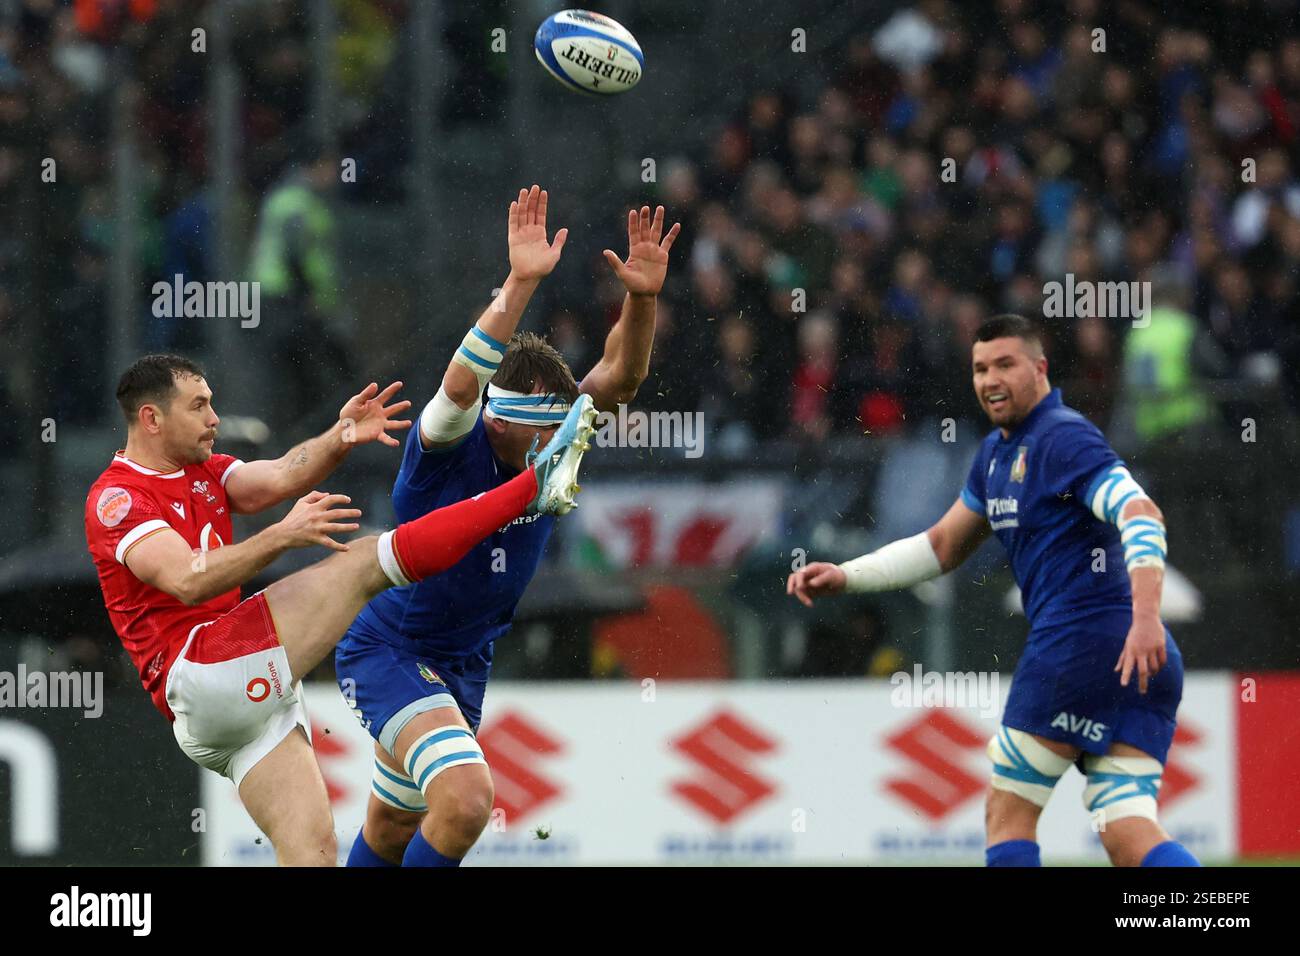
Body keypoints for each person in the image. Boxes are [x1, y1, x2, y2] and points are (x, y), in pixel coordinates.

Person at [84, 353, 595, 865]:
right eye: (198, 407)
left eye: (212, 404)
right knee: (365, 560)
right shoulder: (119, 498)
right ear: (151, 419)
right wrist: (282, 536)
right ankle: (533, 485)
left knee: (314, 856)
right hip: (202, 669)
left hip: (242, 710)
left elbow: (284, 474)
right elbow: (187, 580)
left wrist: (340, 436)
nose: (214, 419)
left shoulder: (203, 471)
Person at [338, 185, 680, 867]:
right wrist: (521, 282)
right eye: (547, 428)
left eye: (565, 424)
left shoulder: (553, 433)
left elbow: (621, 375)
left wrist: (641, 299)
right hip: (393, 649)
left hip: (465, 662)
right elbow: (462, 384)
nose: (564, 442)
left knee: (388, 831)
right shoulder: (445, 448)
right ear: (503, 420)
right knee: (465, 803)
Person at [786, 314, 1199, 868]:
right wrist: (849, 575)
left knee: (1009, 810)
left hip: (1080, 644)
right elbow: (940, 547)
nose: (990, 379)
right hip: (1138, 661)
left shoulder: (1062, 438)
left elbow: (1141, 513)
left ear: (1040, 368)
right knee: (1125, 825)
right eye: (980, 368)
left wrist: (1145, 617)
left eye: (1005, 364)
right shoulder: (996, 455)